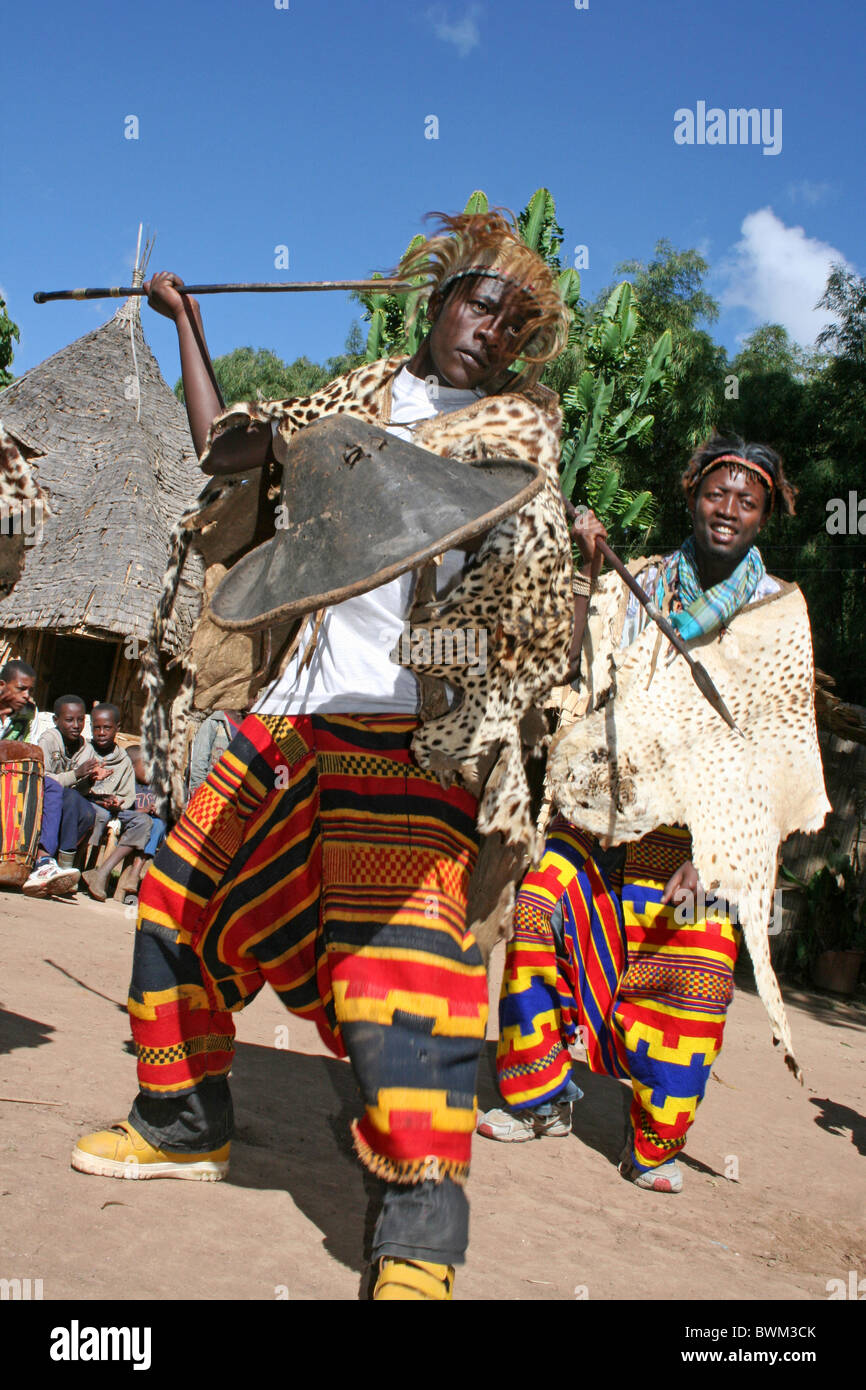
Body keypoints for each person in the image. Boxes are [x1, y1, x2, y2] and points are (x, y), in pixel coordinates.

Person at [71, 211, 575, 1299]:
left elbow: (509, 577)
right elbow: (228, 448)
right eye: (477, 303)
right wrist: (190, 331)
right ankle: (182, 1119)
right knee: (175, 903)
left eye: (510, 321)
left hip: (411, 732)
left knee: (406, 991)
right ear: (438, 299)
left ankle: (416, 1243)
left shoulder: (518, 431)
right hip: (295, 714)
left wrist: (368, 482)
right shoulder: (351, 395)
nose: (488, 331)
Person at [479, 435, 821, 1195]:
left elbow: (773, 748)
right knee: (537, 912)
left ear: (766, 515)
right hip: (603, 809)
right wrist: (587, 576)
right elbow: (569, 672)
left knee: (694, 971)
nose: (728, 509)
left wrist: (723, 857)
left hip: (703, 834)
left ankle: (655, 1143)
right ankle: (538, 1101)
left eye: (748, 500)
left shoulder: (779, 613)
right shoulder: (640, 583)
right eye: (716, 493)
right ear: (692, 494)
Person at [23, 694, 99, 896]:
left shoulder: (87, 748)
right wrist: (76, 774)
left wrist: (90, 780)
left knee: (89, 813)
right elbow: (42, 776)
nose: (76, 725)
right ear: (56, 720)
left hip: (70, 801)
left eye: (81, 719)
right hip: (45, 795)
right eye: (69, 720)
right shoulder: (48, 739)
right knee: (70, 799)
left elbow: (79, 789)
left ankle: (61, 864)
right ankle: (57, 864)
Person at [79, 704, 153, 903]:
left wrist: (117, 802)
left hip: (115, 809)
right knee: (97, 814)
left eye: (107, 728)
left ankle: (102, 872)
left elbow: (128, 796)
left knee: (143, 822)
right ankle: (80, 871)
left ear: (117, 729)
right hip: (90, 803)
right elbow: (76, 787)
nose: (101, 733)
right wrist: (96, 795)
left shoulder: (123, 759)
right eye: (97, 727)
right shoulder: (84, 751)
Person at [187, 710, 244, 795]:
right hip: (214, 792)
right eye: (252, 696)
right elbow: (199, 760)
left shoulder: (253, 725)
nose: (256, 699)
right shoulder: (215, 721)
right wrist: (199, 791)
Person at [0, 659, 37, 742]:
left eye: (30, 690)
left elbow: (29, 747)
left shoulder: (29, 712)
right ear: (2, 685)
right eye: (21, 688)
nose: (26, 695)